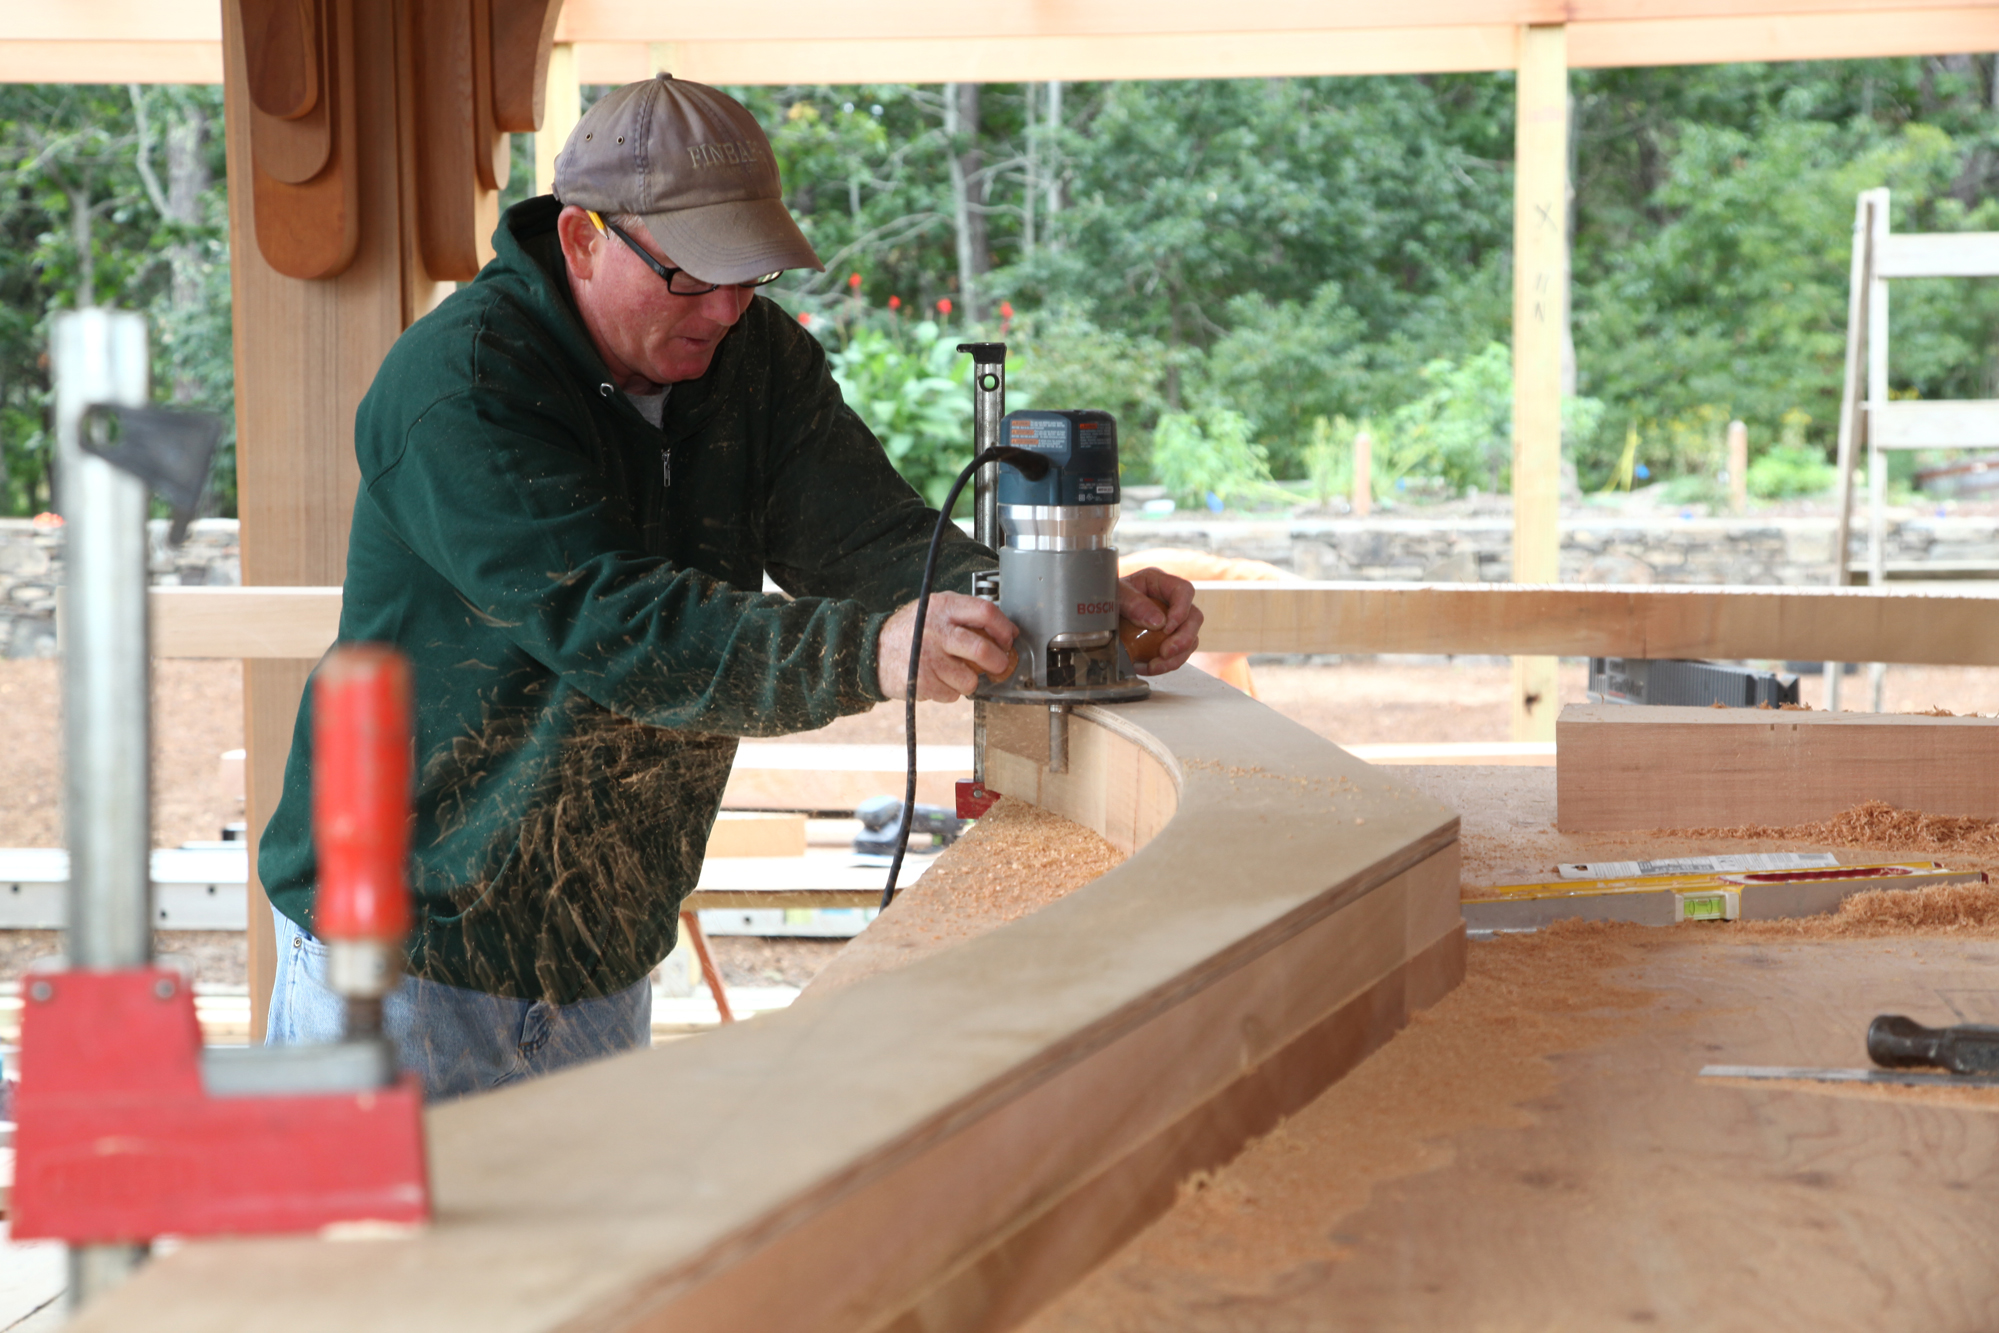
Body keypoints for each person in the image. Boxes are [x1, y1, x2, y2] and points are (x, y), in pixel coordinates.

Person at [257, 75, 1203, 1099]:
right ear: (582, 240)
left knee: (593, 1261)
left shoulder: (752, 363)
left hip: (598, 941)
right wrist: (868, 652)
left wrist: (1049, 604)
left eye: (750, 274)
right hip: (403, 951)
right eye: (692, 275)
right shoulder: (464, 388)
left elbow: (876, 540)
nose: (726, 306)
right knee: (374, 1259)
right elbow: (617, 623)